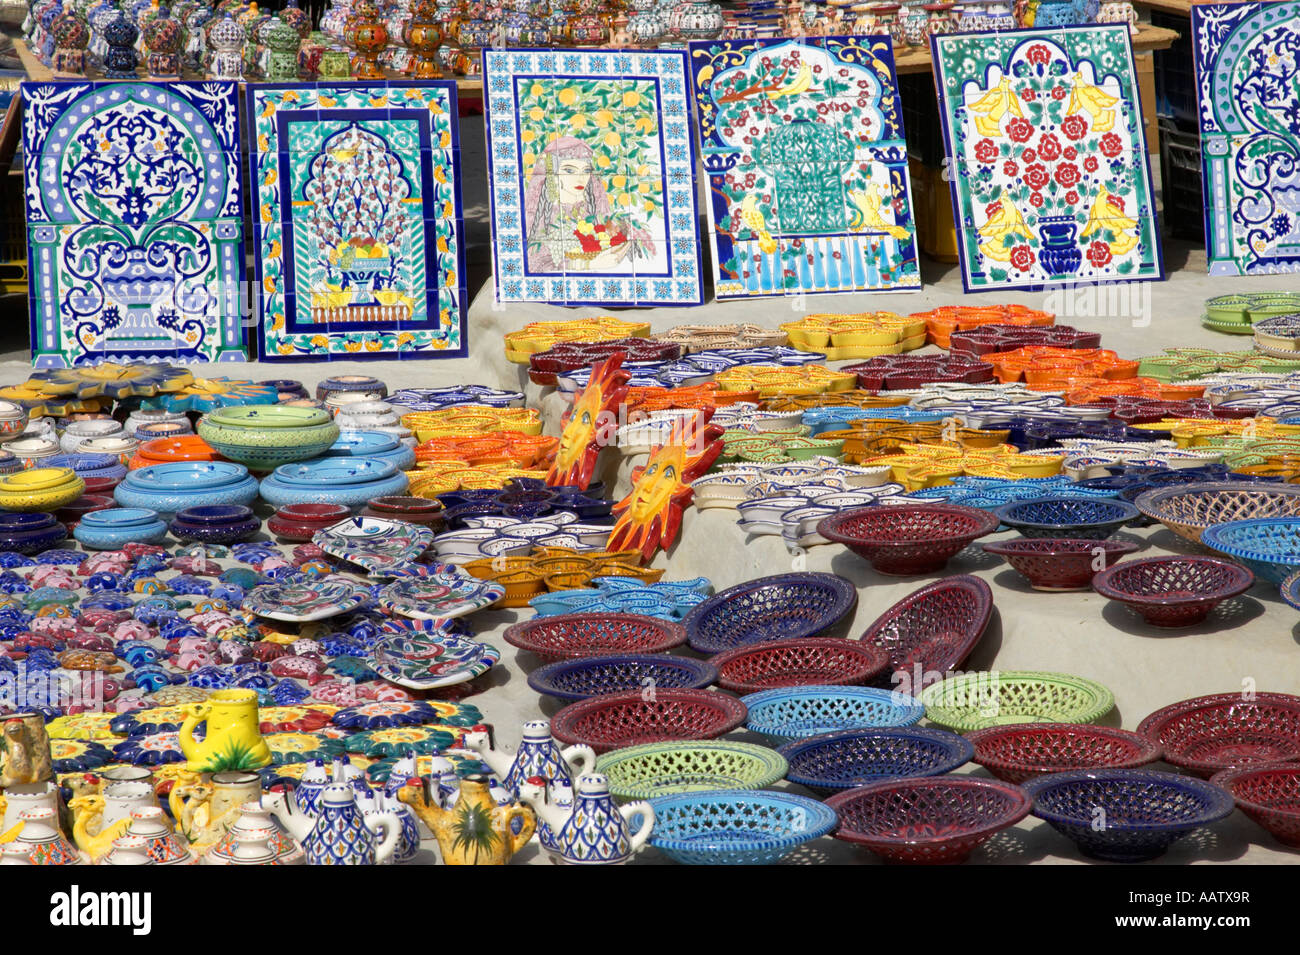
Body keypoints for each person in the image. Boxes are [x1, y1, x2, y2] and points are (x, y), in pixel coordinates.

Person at [522, 135, 653, 272]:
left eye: (585, 171)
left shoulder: (592, 210)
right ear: (553, 173)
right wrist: (588, 265)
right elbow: (534, 264)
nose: (580, 178)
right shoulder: (544, 215)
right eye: (570, 170)